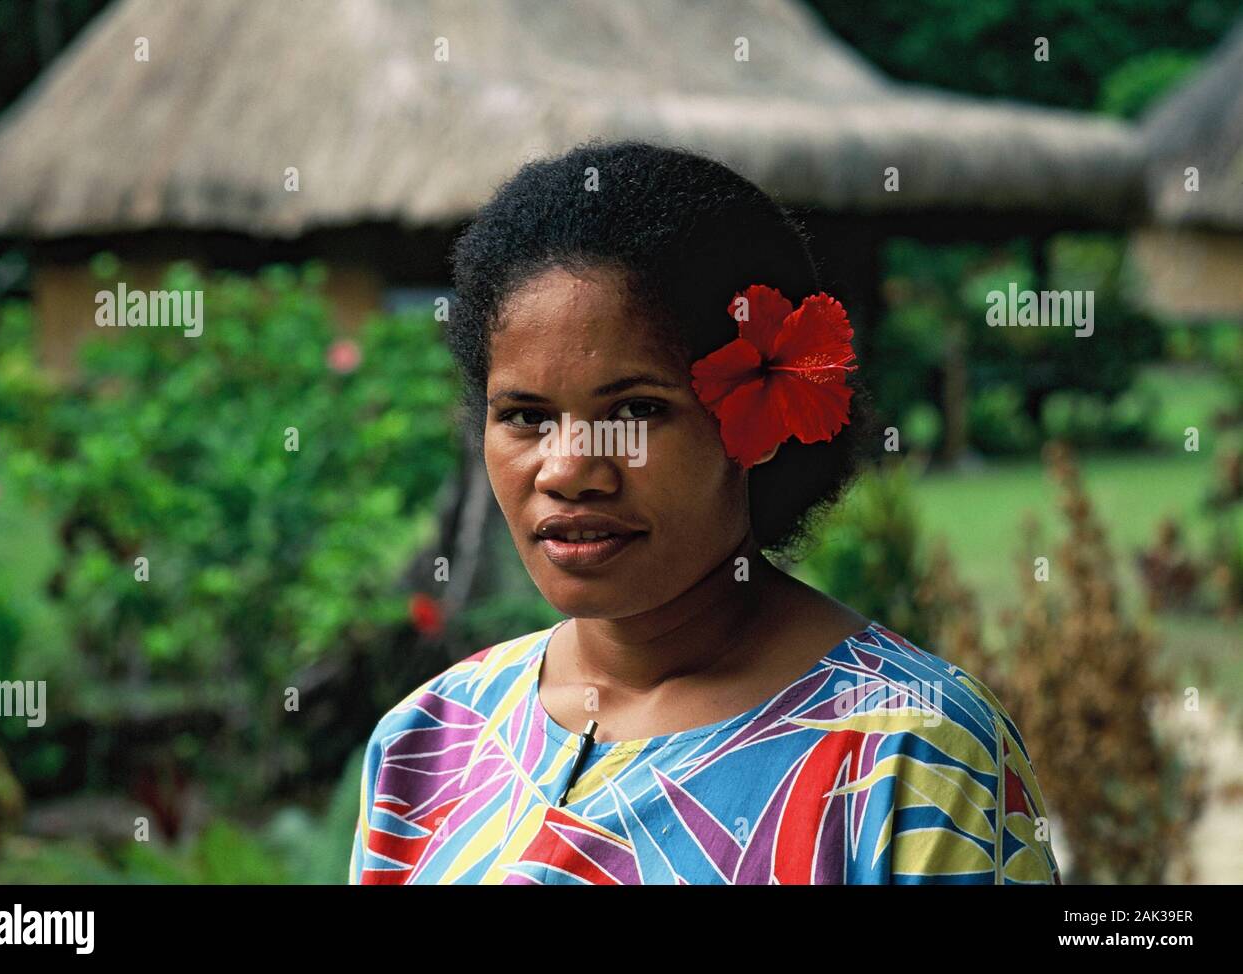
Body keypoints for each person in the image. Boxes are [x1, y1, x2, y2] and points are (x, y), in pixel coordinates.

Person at [348, 140, 1062, 885]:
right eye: (525, 417)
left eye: (636, 409)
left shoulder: (910, 756)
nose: (567, 470)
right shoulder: (429, 741)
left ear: (757, 415)